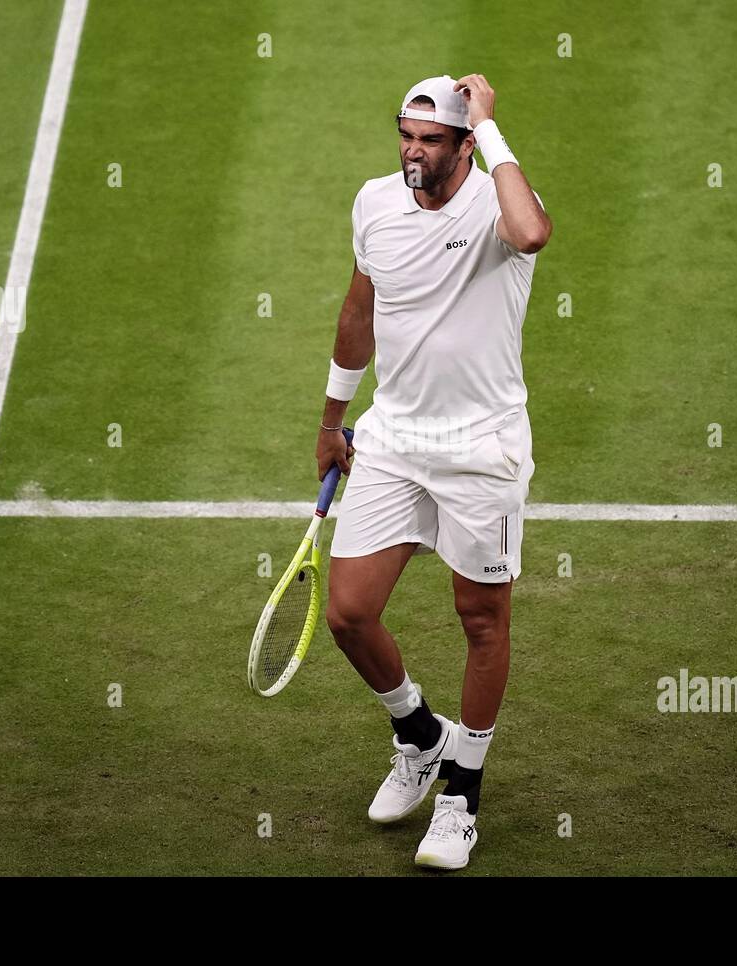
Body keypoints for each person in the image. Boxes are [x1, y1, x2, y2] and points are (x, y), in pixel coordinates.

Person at [316, 73, 551, 870]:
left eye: (431, 139)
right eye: (405, 136)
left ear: (463, 145)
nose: (413, 151)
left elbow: (532, 235)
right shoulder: (375, 202)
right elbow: (360, 309)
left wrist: (491, 126)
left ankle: (461, 795)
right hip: (393, 440)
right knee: (347, 612)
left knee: (480, 619)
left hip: (482, 450)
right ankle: (419, 734)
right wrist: (331, 417)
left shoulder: (497, 201)